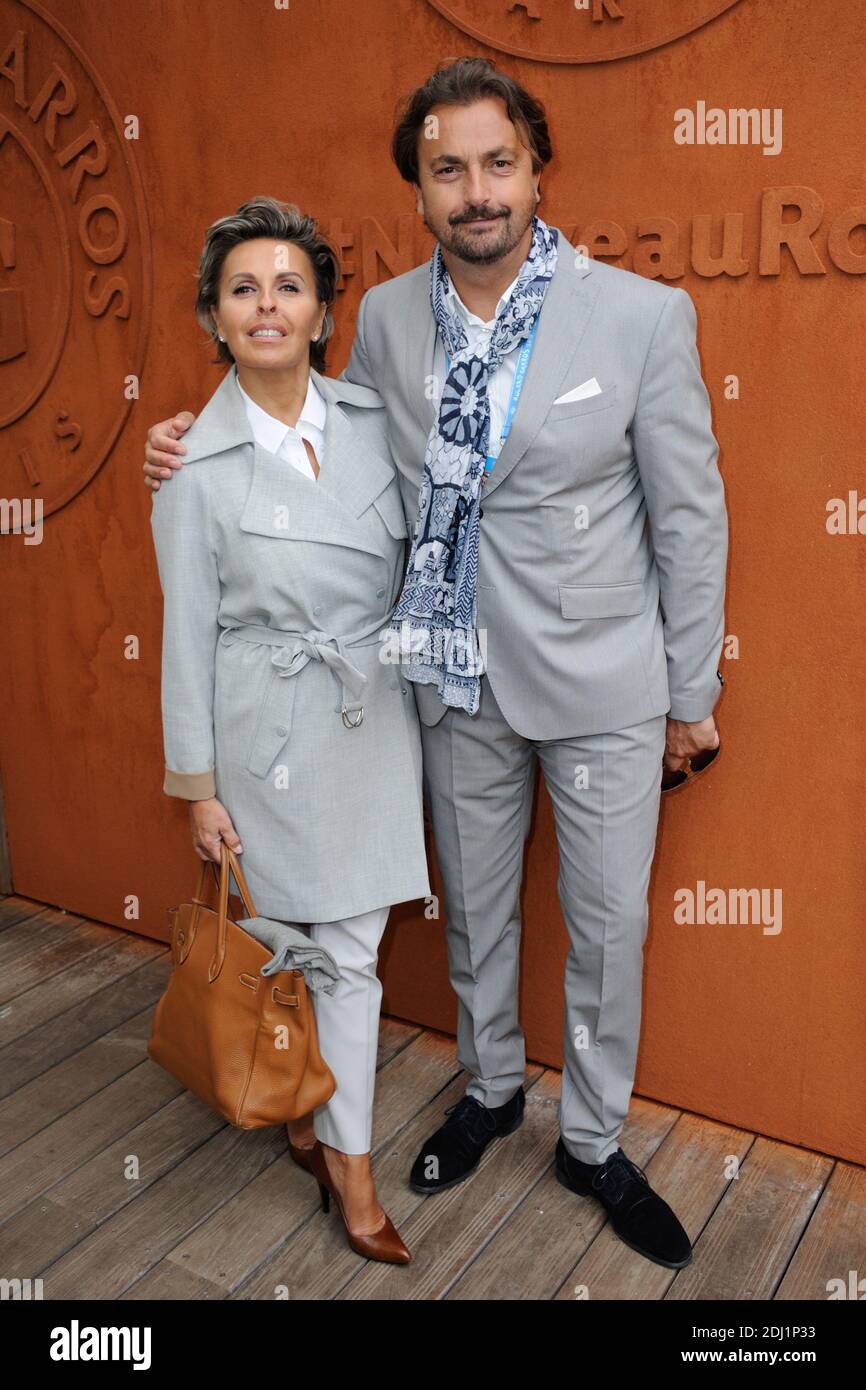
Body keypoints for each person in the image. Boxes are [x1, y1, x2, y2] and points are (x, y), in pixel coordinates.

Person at [144, 59, 728, 1271]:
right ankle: (491, 1089)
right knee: (472, 913)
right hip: (445, 686)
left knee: (607, 921)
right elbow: (320, 439)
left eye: (496, 163)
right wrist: (192, 441)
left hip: (604, 684)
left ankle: (594, 1141)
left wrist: (689, 695)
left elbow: (689, 520)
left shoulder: (638, 317)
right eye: (447, 168)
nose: (475, 191)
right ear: (416, 189)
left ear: (535, 171)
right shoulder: (388, 323)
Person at [149, 195, 431, 1264]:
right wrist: (197, 785)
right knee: (296, 948)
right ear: (215, 318)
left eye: (289, 286)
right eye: (242, 289)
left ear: (322, 313)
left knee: (351, 952)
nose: (266, 306)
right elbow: (183, 638)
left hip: (369, 724)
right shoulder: (190, 466)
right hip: (261, 736)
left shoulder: (372, 425)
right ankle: (330, 1140)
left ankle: (340, 1150)